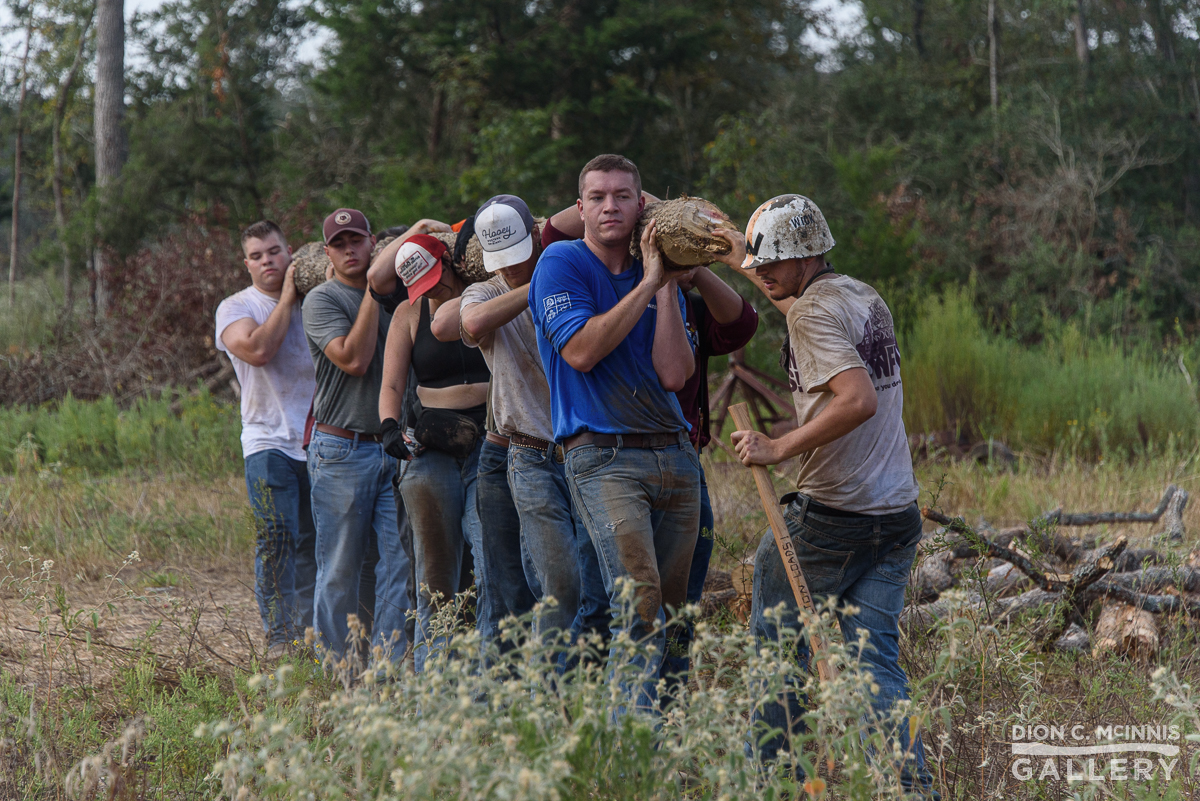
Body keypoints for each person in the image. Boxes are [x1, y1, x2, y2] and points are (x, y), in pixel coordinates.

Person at [718, 195, 936, 797]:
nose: (762, 271)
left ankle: (770, 781)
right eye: (758, 261)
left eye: (771, 262)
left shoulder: (811, 315)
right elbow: (791, 298)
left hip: (834, 516)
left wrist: (777, 447)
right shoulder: (860, 296)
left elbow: (857, 399)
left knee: (777, 656)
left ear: (807, 255)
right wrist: (740, 256)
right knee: (875, 664)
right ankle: (909, 787)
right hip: (896, 513)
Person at [528, 154, 700, 711]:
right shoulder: (561, 261)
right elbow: (580, 350)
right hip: (604, 456)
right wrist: (649, 281)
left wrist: (667, 285)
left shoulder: (656, 276)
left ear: (641, 205)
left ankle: (666, 729)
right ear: (579, 209)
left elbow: (675, 374)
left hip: (674, 453)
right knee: (639, 600)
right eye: (597, 197)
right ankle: (628, 743)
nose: (609, 206)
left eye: (622, 196)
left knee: (676, 609)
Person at [432, 195, 609, 656]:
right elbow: (469, 321)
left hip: (589, 450)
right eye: (502, 262)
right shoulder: (486, 291)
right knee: (559, 582)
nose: (511, 269)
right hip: (529, 456)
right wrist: (536, 288)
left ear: (537, 236)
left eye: (519, 257)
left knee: (600, 580)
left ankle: (579, 683)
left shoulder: (571, 271)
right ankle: (544, 694)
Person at [378, 234, 490, 672]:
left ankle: (488, 682)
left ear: (448, 261)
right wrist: (388, 425)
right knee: (434, 574)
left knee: (488, 556)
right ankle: (432, 684)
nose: (431, 290)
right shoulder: (409, 313)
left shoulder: (485, 295)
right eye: (420, 285)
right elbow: (391, 383)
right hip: (434, 440)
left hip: (489, 436)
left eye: (434, 277)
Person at [303, 208, 408, 666]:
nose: (350, 250)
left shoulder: (400, 300)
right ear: (327, 252)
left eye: (357, 241)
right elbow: (354, 359)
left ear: (372, 245)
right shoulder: (321, 300)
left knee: (402, 564)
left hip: (394, 448)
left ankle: (385, 672)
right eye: (340, 244)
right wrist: (373, 289)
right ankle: (337, 671)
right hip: (340, 450)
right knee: (340, 569)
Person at [215, 220, 317, 659]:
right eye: (256, 256)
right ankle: (279, 635)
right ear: (246, 264)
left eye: (273, 252)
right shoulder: (236, 307)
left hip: (317, 440)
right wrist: (289, 298)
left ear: (289, 252)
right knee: (276, 535)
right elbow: (258, 350)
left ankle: (314, 634)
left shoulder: (318, 298)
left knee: (315, 539)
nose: (267, 262)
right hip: (266, 440)